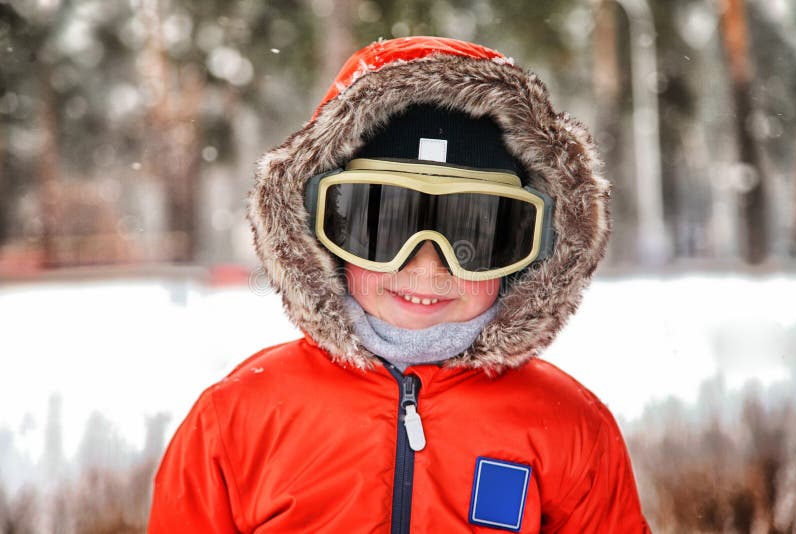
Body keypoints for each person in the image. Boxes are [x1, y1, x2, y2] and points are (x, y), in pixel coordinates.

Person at [148, 36, 651, 533]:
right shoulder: (239, 419)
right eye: (384, 228)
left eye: (474, 234)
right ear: (320, 235)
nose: (428, 267)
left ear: (530, 253)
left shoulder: (568, 427)